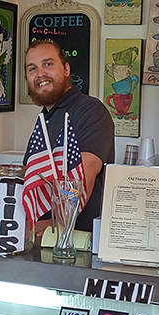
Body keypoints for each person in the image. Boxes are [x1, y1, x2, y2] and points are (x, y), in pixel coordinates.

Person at [23, 38, 114, 233]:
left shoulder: (89, 110)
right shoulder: (46, 118)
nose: (40, 74)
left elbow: (83, 175)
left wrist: (54, 224)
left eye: (48, 64)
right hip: (41, 237)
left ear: (66, 69)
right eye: (32, 68)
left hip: (75, 243)